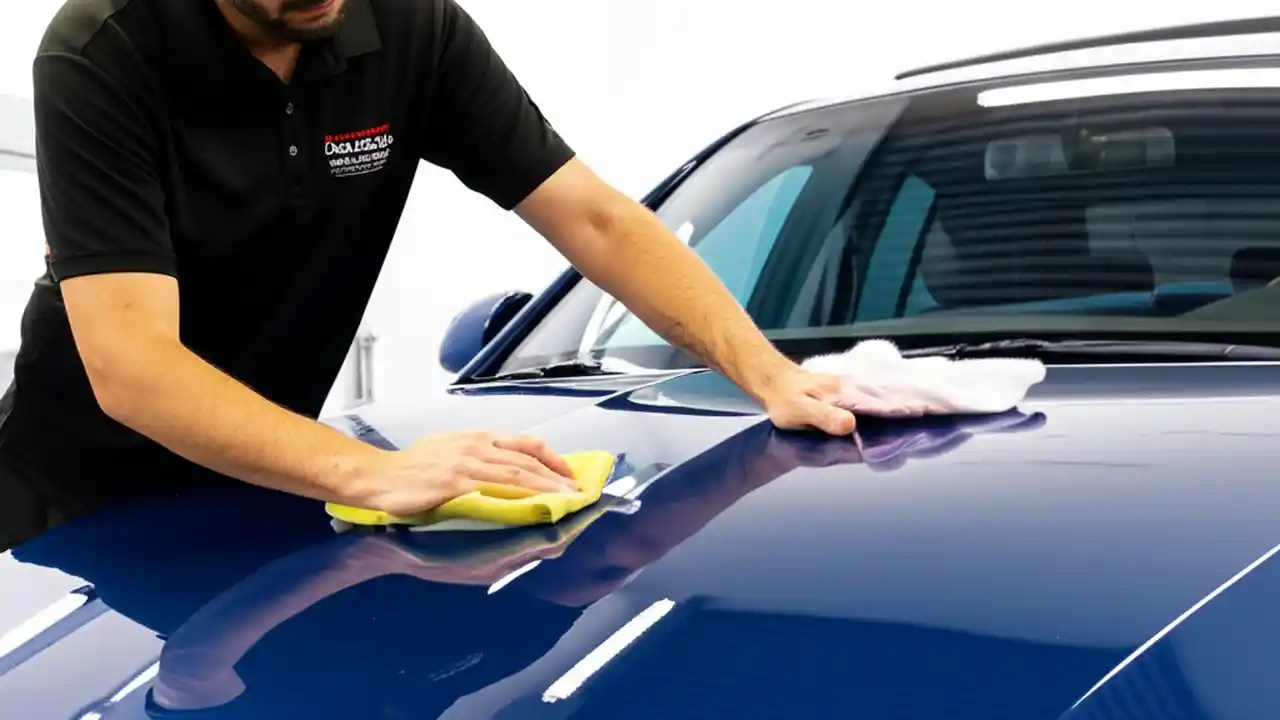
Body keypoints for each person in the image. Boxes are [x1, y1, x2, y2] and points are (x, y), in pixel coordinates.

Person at [0, 0, 855, 550]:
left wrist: (770, 374)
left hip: (271, 480)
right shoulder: (102, 49)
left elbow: (595, 218)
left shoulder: (414, 29)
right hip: (71, 493)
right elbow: (133, 369)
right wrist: (368, 471)